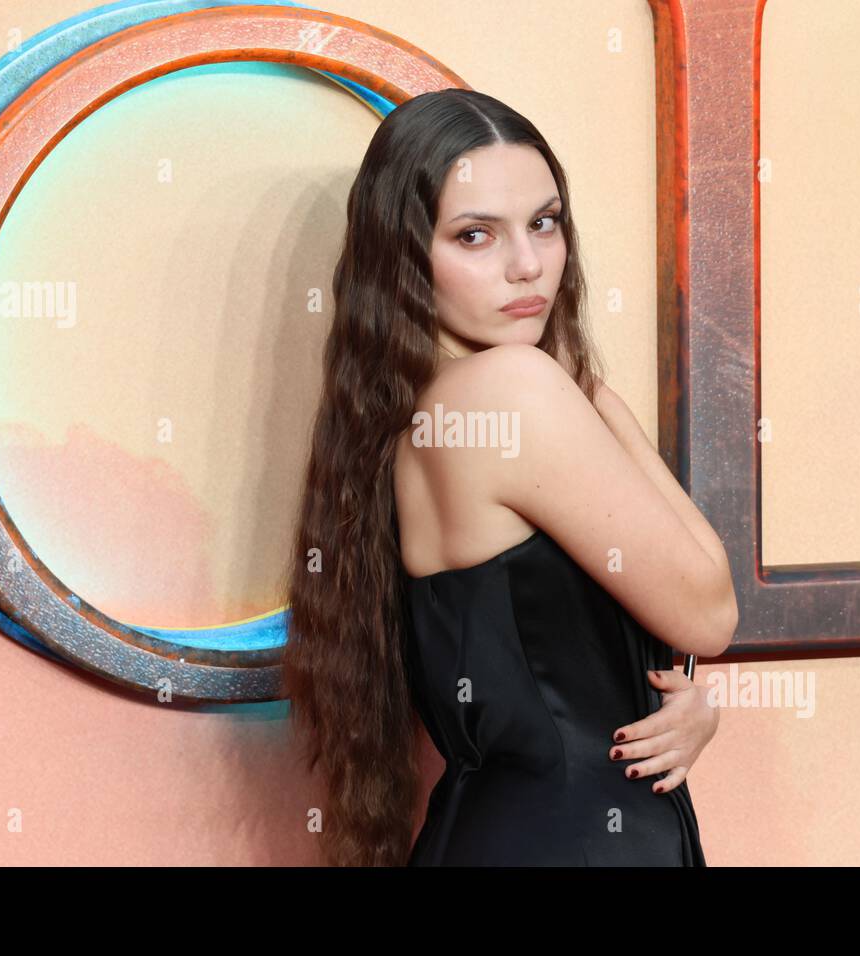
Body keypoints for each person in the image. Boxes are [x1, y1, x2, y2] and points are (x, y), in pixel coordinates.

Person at [282, 88, 738, 867]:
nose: (527, 265)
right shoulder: (512, 390)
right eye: (475, 235)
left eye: (544, 222)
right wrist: (592, 392)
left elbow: (550, 653)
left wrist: (671, 696)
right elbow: (710, 608)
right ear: (404, 257)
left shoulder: (409, 416)